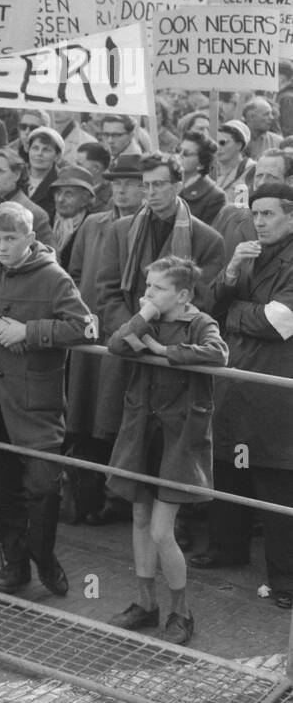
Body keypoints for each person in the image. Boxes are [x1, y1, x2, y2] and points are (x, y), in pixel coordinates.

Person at [0, 202, 95, 596]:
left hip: (36, 402)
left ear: (30, 239)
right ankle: (15, 565)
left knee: (45, 487)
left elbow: (86, 327)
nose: (1, 246)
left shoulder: (54, 277)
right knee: (2, 487)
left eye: (10, 239)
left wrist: (29, 332)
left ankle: (43, 557)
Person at [105, 257, 227, 645]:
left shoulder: (200, 323)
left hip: (178, 437)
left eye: (157, 288)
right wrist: (143, 316)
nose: (148, 294)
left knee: (161, 530)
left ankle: (181, 610)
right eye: (147, 286)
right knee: (140, 520)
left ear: (183, 295)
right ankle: (145, 604)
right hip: (144, 432)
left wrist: (161, 349)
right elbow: (115, 343)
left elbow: (218, 353)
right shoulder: (148, 316)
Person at [193, 184, 293, 610]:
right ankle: (226, 546)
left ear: (291, 217)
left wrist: (232, 314)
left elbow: (280, 321)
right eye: (256, 213)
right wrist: (231, 272)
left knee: (274, 481)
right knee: (229, 466)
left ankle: (286, 577)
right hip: (236, 382)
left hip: (273, 389)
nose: (260, 221)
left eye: (269, 213)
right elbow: (206, 305)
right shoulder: (247, 253)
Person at [64, 152, 146, 525]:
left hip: (126, 338)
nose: (122, 190)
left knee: (118, 420)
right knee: (85, 418)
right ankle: (89, 495)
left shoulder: (148, 229)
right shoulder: (93, 224)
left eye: (131, 183)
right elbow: (77, 274)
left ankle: (120, 499)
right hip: (91, 336)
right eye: (117, 183)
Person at [50, 165, 97, 272]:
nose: (61, 199)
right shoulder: (46, 219)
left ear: (85, 200)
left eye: (69, 194)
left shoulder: (93, 225)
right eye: (58, 193)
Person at [178, 133, 224, 226]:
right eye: (178, 150)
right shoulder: (170, 185)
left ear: (201, 164)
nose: (179, 156)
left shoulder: (215, 196)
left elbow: (208, 237)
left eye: (186, 153)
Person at [20, 125, 65, 221]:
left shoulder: (62, 184)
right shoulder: (16, 177)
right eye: (35, 148)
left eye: (46, 150)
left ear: (57, 156)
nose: (39, 154)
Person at [212, 119, 256, 207]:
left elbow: (242, 208)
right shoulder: (210, 170)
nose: (218, 148)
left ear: (239, 145)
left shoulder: (252, 170)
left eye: (223, 143)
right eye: (215, 143)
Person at [77, 142, 112, 212]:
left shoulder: (112, 197)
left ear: (96, 168)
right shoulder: (71, 187)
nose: (75, 168)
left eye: (79, 165)